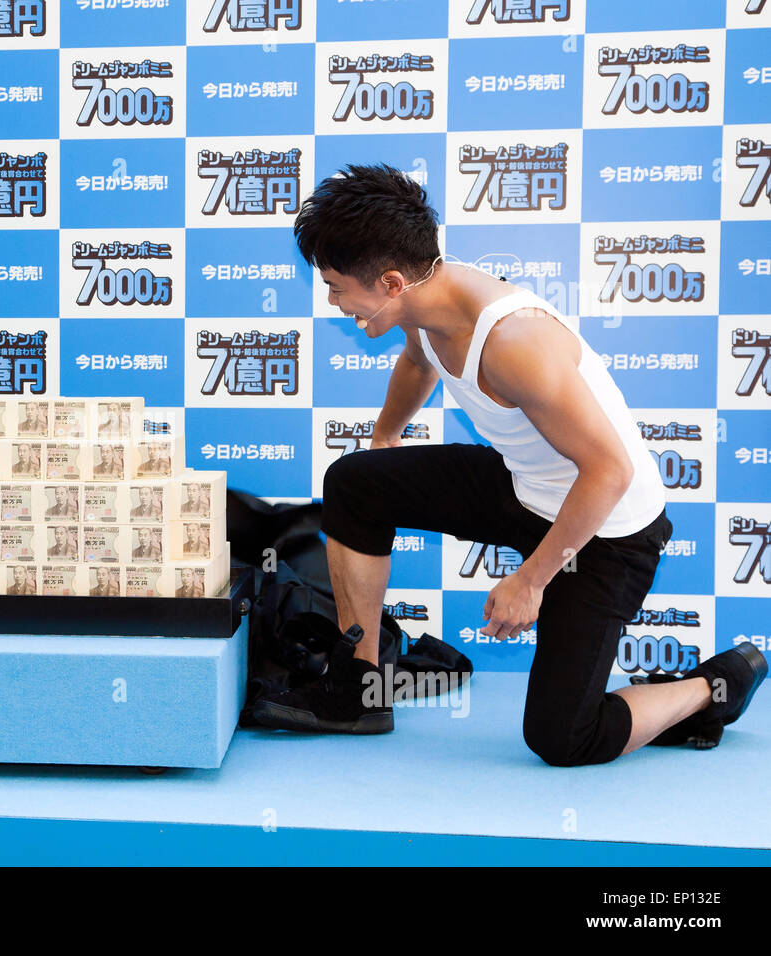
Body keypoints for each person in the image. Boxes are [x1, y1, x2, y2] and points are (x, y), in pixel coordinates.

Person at [255, 163, 766, 765]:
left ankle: (713, 685)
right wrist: (384, 436)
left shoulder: (514, 343)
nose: (335, 302)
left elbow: (609, 470)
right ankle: (357, 687)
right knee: (354, 484)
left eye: (338, 287)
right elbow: (419, 363)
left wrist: (531, 580)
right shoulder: (427, 298)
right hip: (525, 487)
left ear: (391, 282)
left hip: (604, 529)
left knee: (563, 739)